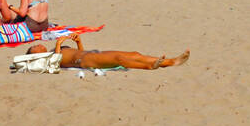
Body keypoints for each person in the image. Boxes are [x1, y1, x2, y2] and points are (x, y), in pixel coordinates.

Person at [50, 33, 189, 70]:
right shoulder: (56, 56)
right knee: (119, 59)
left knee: (135, 54)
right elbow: (55, 64)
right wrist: (58, 45)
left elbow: (80, 52)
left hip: (91, 55)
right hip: (86, 61)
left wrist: (78, 42)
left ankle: (170, 61)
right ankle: (148, 65)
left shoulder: (65, 51)